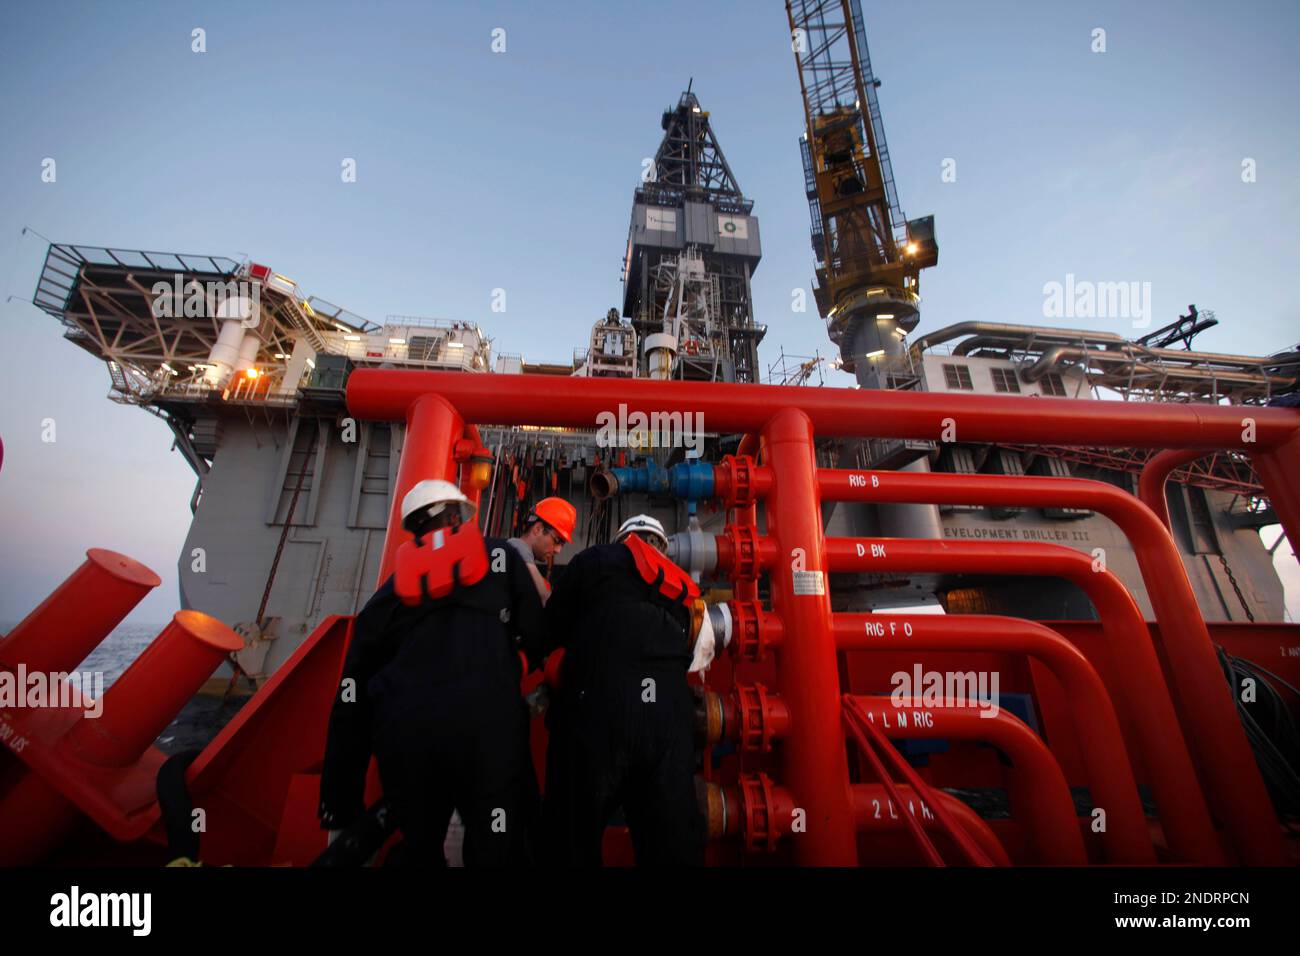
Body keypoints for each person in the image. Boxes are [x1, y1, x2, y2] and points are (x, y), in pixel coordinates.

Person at [318, 478, 547, 865]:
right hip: (487, 735)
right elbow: (539, 634)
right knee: (496, 844)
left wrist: (338, 806)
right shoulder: (500, 558)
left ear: (413, 529)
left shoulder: (386, 596)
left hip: (408, 741)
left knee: (420, 845)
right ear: (461, 516)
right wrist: (512, 666)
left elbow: (351, 699)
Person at [538, 513, 706, 866]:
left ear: (623, 541)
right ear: (663, 548)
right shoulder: (682, 589)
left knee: (572, 835)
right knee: (671, 846)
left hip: (597, 711)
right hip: (669, 720)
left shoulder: (594, 561)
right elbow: (691, 654)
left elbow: (549, 627)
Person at [508, 496, 576, 604]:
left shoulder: (522, 560)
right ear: (538, 529)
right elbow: (544, 596)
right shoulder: (515, 547)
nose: (558, 550)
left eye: (562, 545)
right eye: (557, 540)